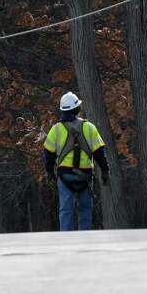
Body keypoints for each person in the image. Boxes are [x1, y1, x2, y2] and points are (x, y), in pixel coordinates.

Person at [43, 91, 110, 231]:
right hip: (85, 176)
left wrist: (50, 172)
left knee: (66, 210)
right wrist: (105, 171)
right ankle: (84, 239)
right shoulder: (89, 127)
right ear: (77, 109)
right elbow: (99, 153)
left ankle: (66, 239)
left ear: (62, 111)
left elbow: (48, 154)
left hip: (64, 176)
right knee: (85, 209)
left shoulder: (56, 130)